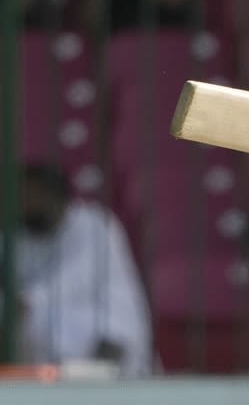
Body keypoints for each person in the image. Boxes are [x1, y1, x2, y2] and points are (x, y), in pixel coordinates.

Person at [7, 161, 153, 376]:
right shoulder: (18, 234)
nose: (26, 203)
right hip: (43, 317)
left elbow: (79, 276)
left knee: (114, 327)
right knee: (28, 323)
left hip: (101, 310)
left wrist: (29, 300)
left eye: (33, 196)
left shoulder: (94, 222)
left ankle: (102, 380)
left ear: (57, 197)